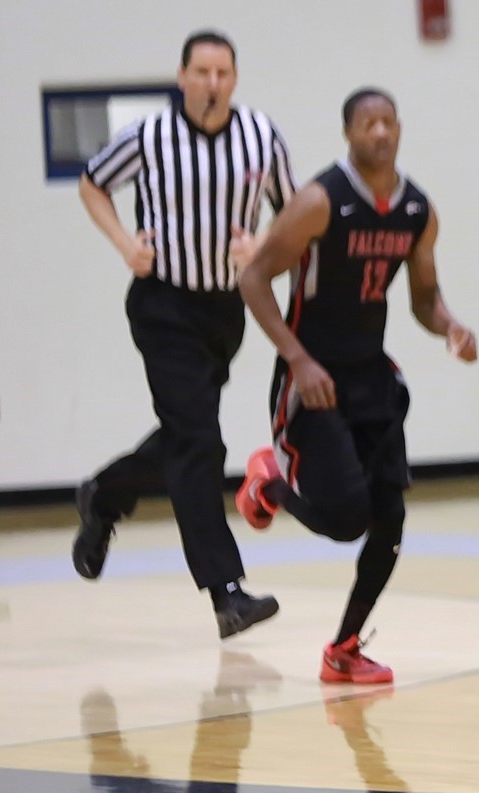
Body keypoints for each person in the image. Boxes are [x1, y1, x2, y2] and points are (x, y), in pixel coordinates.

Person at [235, 89, 477, 682]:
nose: (380, 132)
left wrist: (449, 325)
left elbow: (422, 297)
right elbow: (254, 278)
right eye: (368, 123)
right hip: (311, 375)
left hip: (370, 376)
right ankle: (269, 480)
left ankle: (343, 648)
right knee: (346, 519)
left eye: (389, 122)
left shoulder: (417, 210)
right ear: (348, 133)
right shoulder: (320, 201)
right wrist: (298, 359)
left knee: (389, 521)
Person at [71, 30, 295, 638]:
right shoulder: (149, 136)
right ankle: (226, 591)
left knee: (183, 435)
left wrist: (264, 250)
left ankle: (104, 495)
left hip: (225, 310)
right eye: (201, 72)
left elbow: (294, 216)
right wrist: (124, 244)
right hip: (163, 305)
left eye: (223, 72)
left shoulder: (261, 137)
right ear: (182, 76)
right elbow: (92, 182)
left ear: (235, 80)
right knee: (200, 442)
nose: (212, 83)